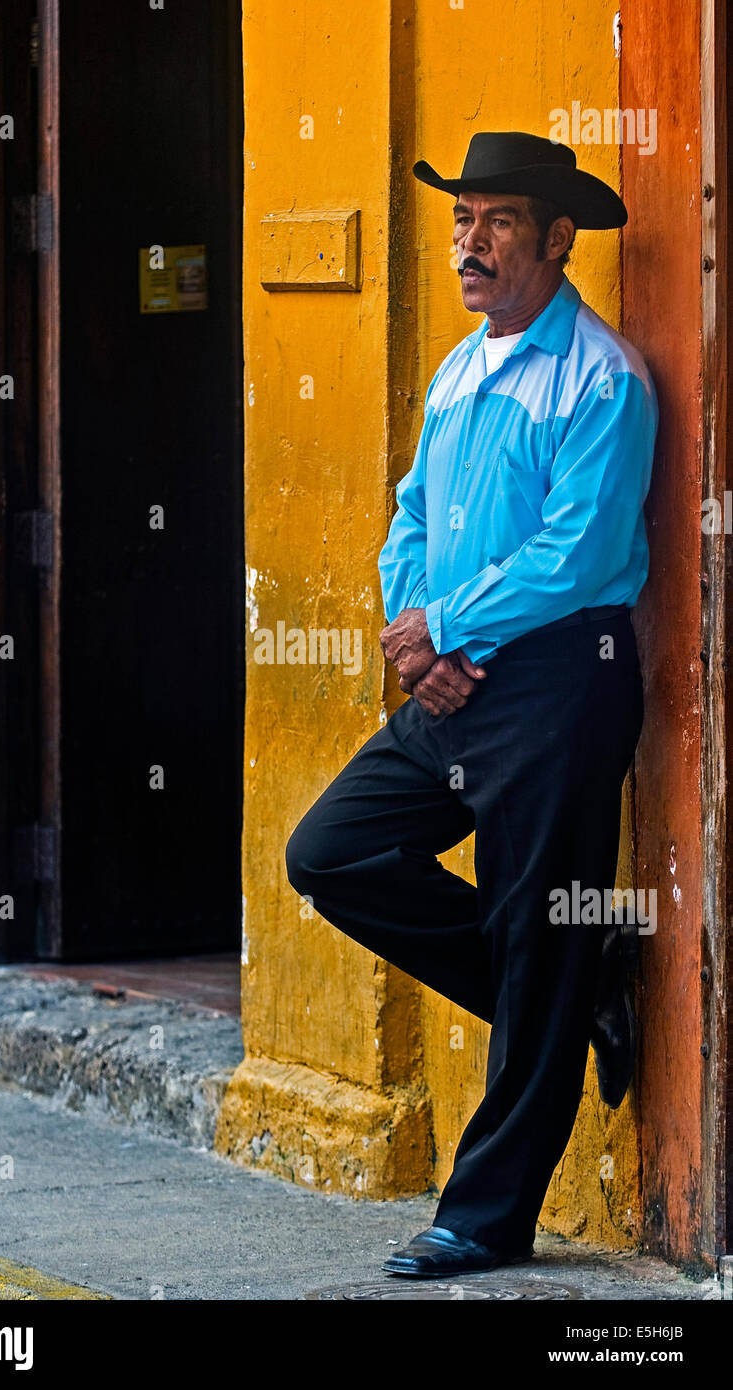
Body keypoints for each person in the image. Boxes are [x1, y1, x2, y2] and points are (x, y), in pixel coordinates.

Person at [285, 131, 658, 1279]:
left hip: (558, 685)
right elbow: (410, 517)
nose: (468, 241)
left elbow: (578, 552)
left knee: (536, 930)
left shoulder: (602, 378)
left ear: (555, 239)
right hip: (457, 683)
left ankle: (484, 1217)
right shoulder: (460, 369)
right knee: (331, 851)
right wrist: (417, 639)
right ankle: (578, 984)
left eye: (495, 221)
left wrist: (450, 628)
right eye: (461, 220)